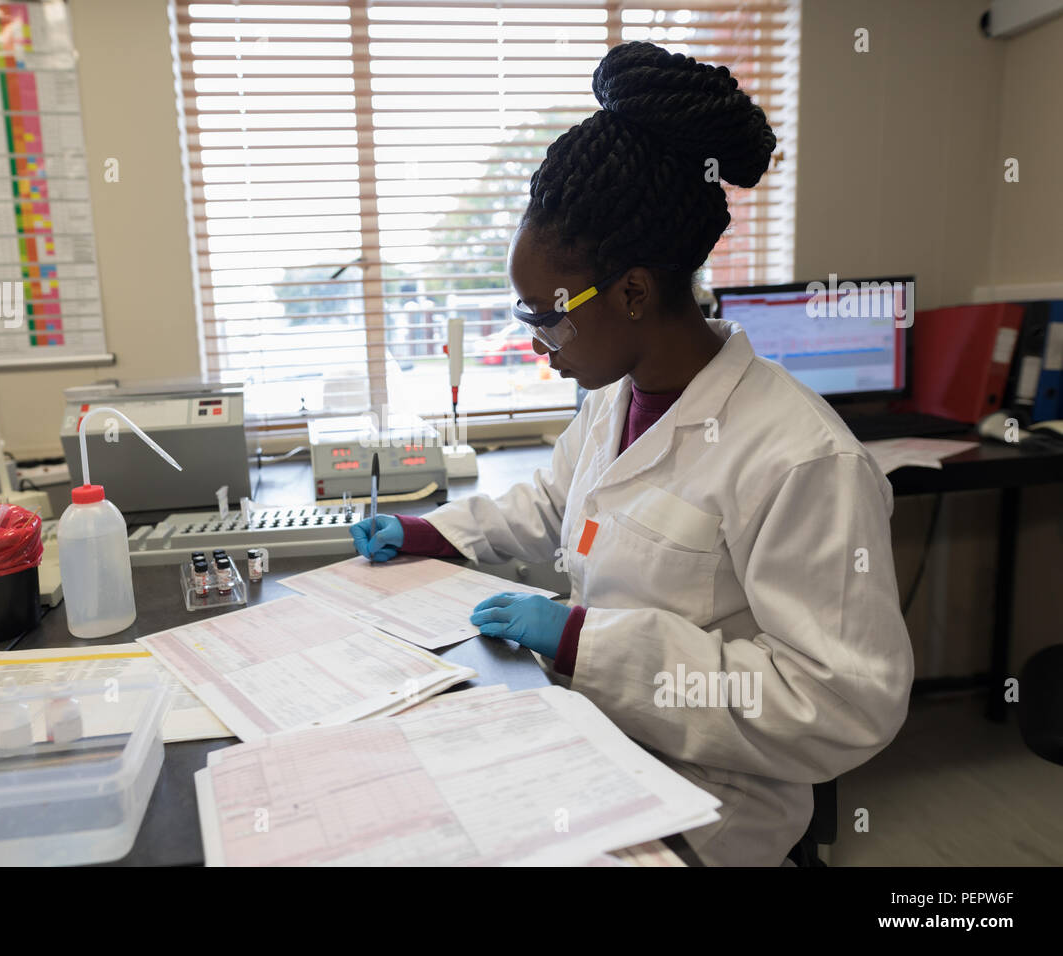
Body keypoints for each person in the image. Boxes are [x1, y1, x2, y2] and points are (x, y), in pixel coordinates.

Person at [350, 41, 914, 867]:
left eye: (547, 314)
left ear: (635, 293)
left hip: (713, 806)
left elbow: (843, 700)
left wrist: (588, 643)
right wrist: (433, 533)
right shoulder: (613, 397)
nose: (538, 340)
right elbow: (553, 505)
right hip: (594, 741)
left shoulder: (803, 459)